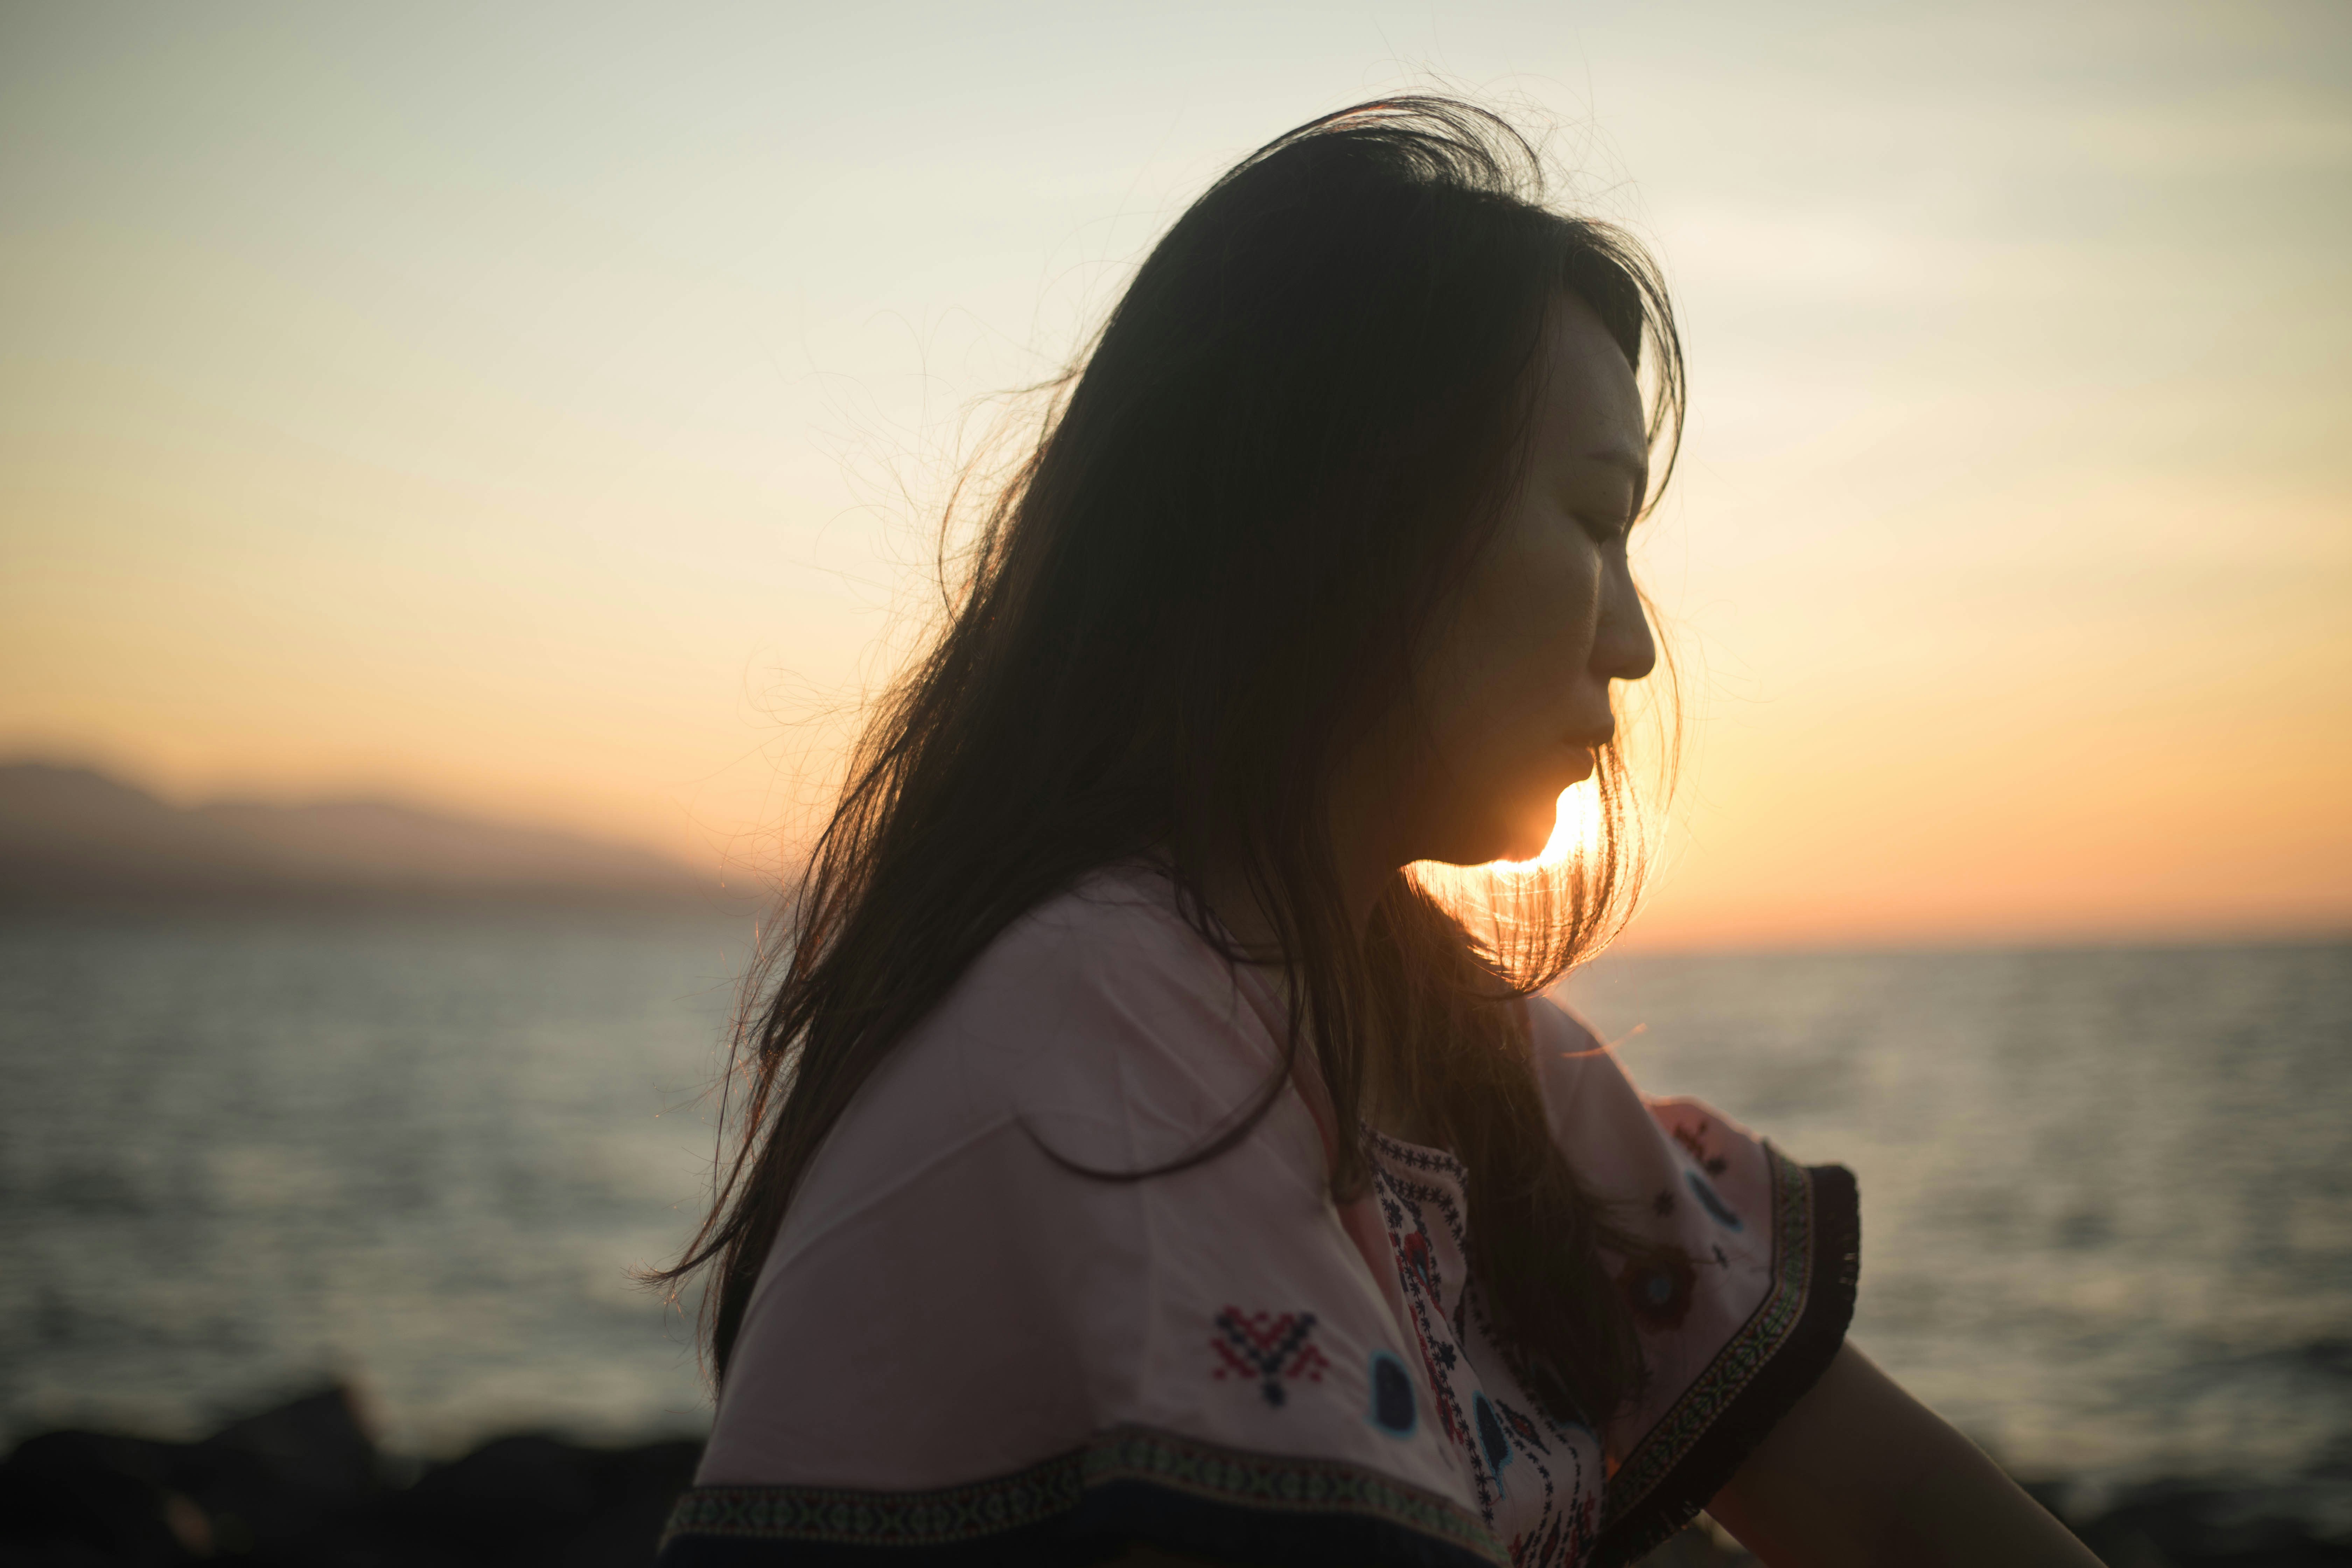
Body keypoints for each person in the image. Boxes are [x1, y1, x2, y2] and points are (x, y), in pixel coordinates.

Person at [650, 99, 2101, 1568]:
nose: (1636, 641)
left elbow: (1892, 1501)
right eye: (1596, 522)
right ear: (1355, 517)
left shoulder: (1469, 1051)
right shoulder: (1104, 1012)